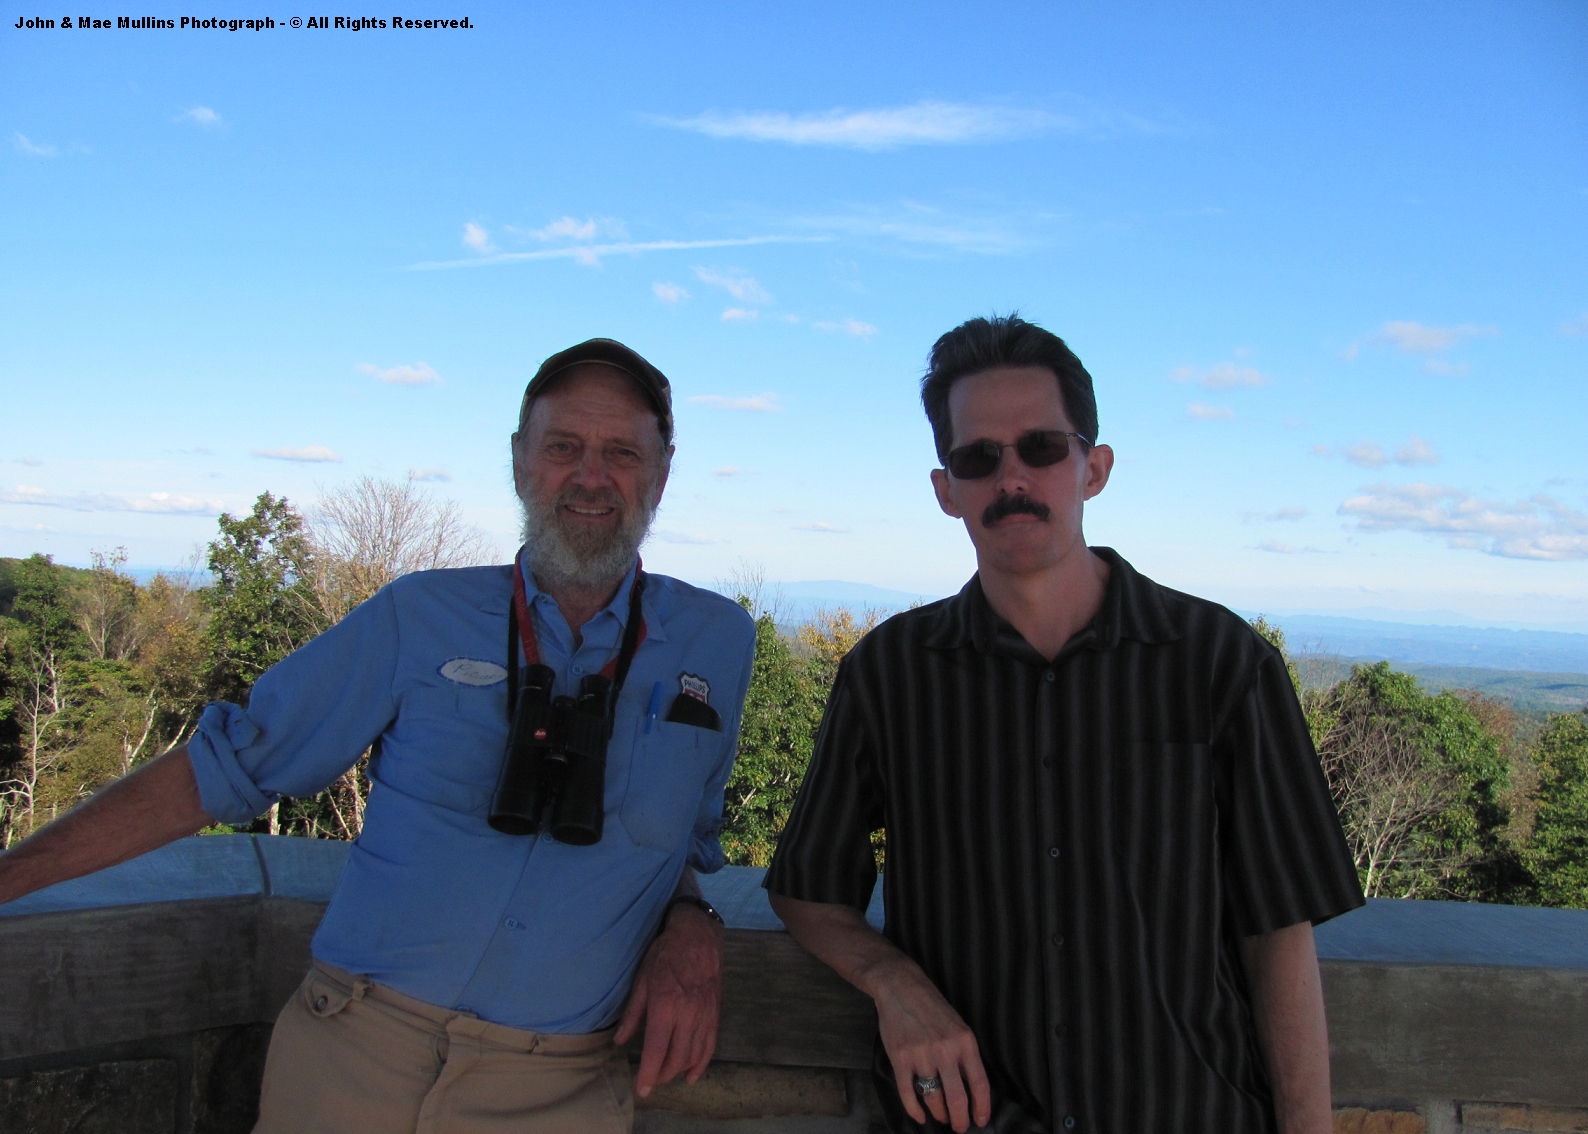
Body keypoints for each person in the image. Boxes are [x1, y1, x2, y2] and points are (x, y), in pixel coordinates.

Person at [0, 338, 757, 1134]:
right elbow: (225, 768)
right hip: (349, 1052)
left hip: (556, 1087)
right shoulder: (418, 616)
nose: (591, 477)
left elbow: (681, 838)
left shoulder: (716, 644)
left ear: (663, 471)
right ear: (519, 461)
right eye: (563, 446)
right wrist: (10, 879)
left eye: (622, 453)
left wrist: (691, 925)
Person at [765, 315, 1365, 1134]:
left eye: (1041, 447)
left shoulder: (1222, 664)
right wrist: (896, 985)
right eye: (979, 458)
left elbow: (1279, 934)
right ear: (946, 490)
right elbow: (808, 889)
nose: (1012, 477)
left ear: (1094, 467)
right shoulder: (889, 674)